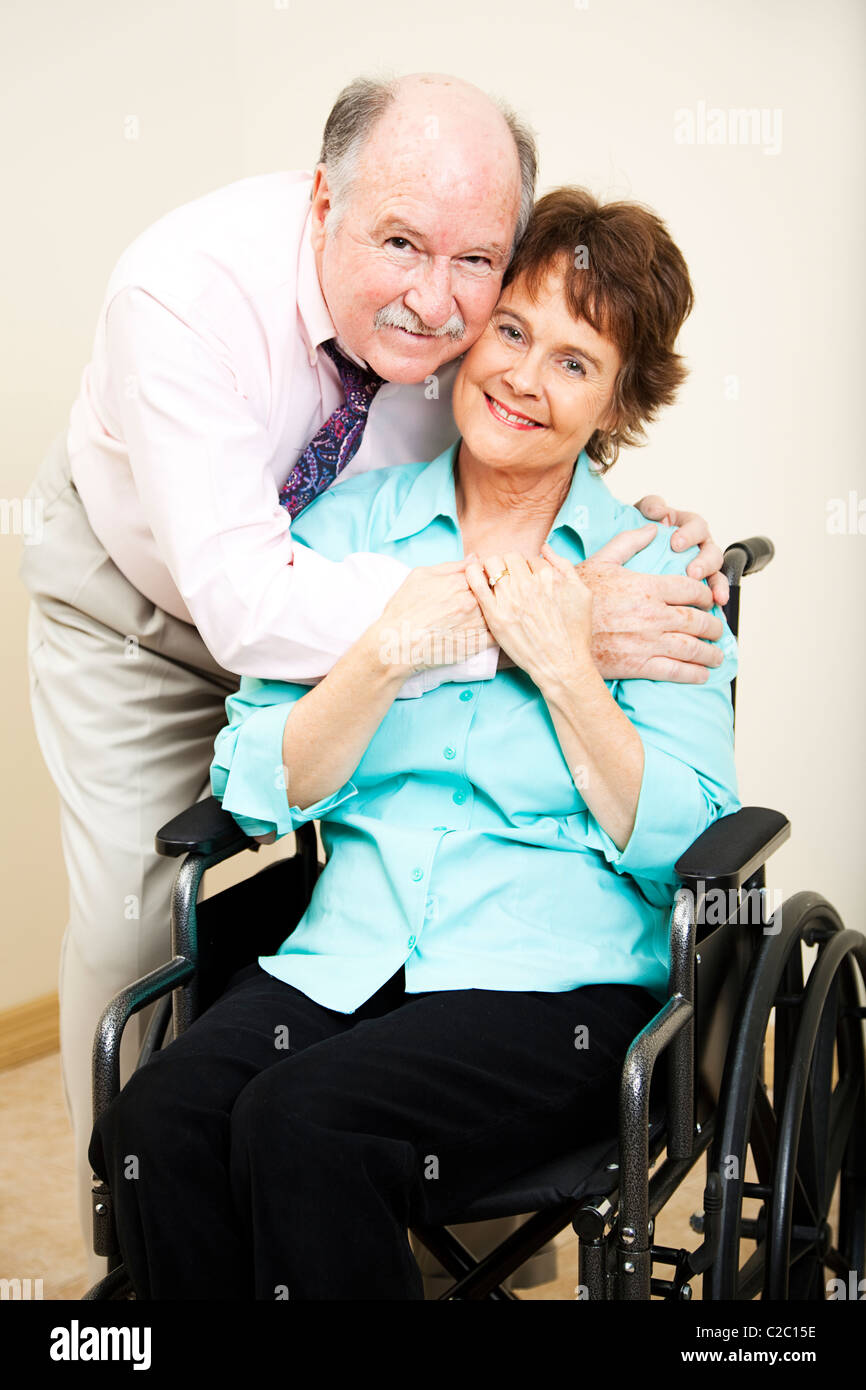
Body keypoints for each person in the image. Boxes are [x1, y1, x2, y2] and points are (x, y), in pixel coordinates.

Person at [88, 185, 740, 1300]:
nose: (525, 379)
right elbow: (253, 781)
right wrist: (384, 650)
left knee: (305, 1128)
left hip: (554, 992)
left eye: (575, 363)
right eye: (513, 330)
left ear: (616, 405)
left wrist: (567, 664)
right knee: (160, 1118)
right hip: (351, 955)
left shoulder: (656, 573)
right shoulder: (348, 529)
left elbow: (688, 835)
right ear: (470, 327)